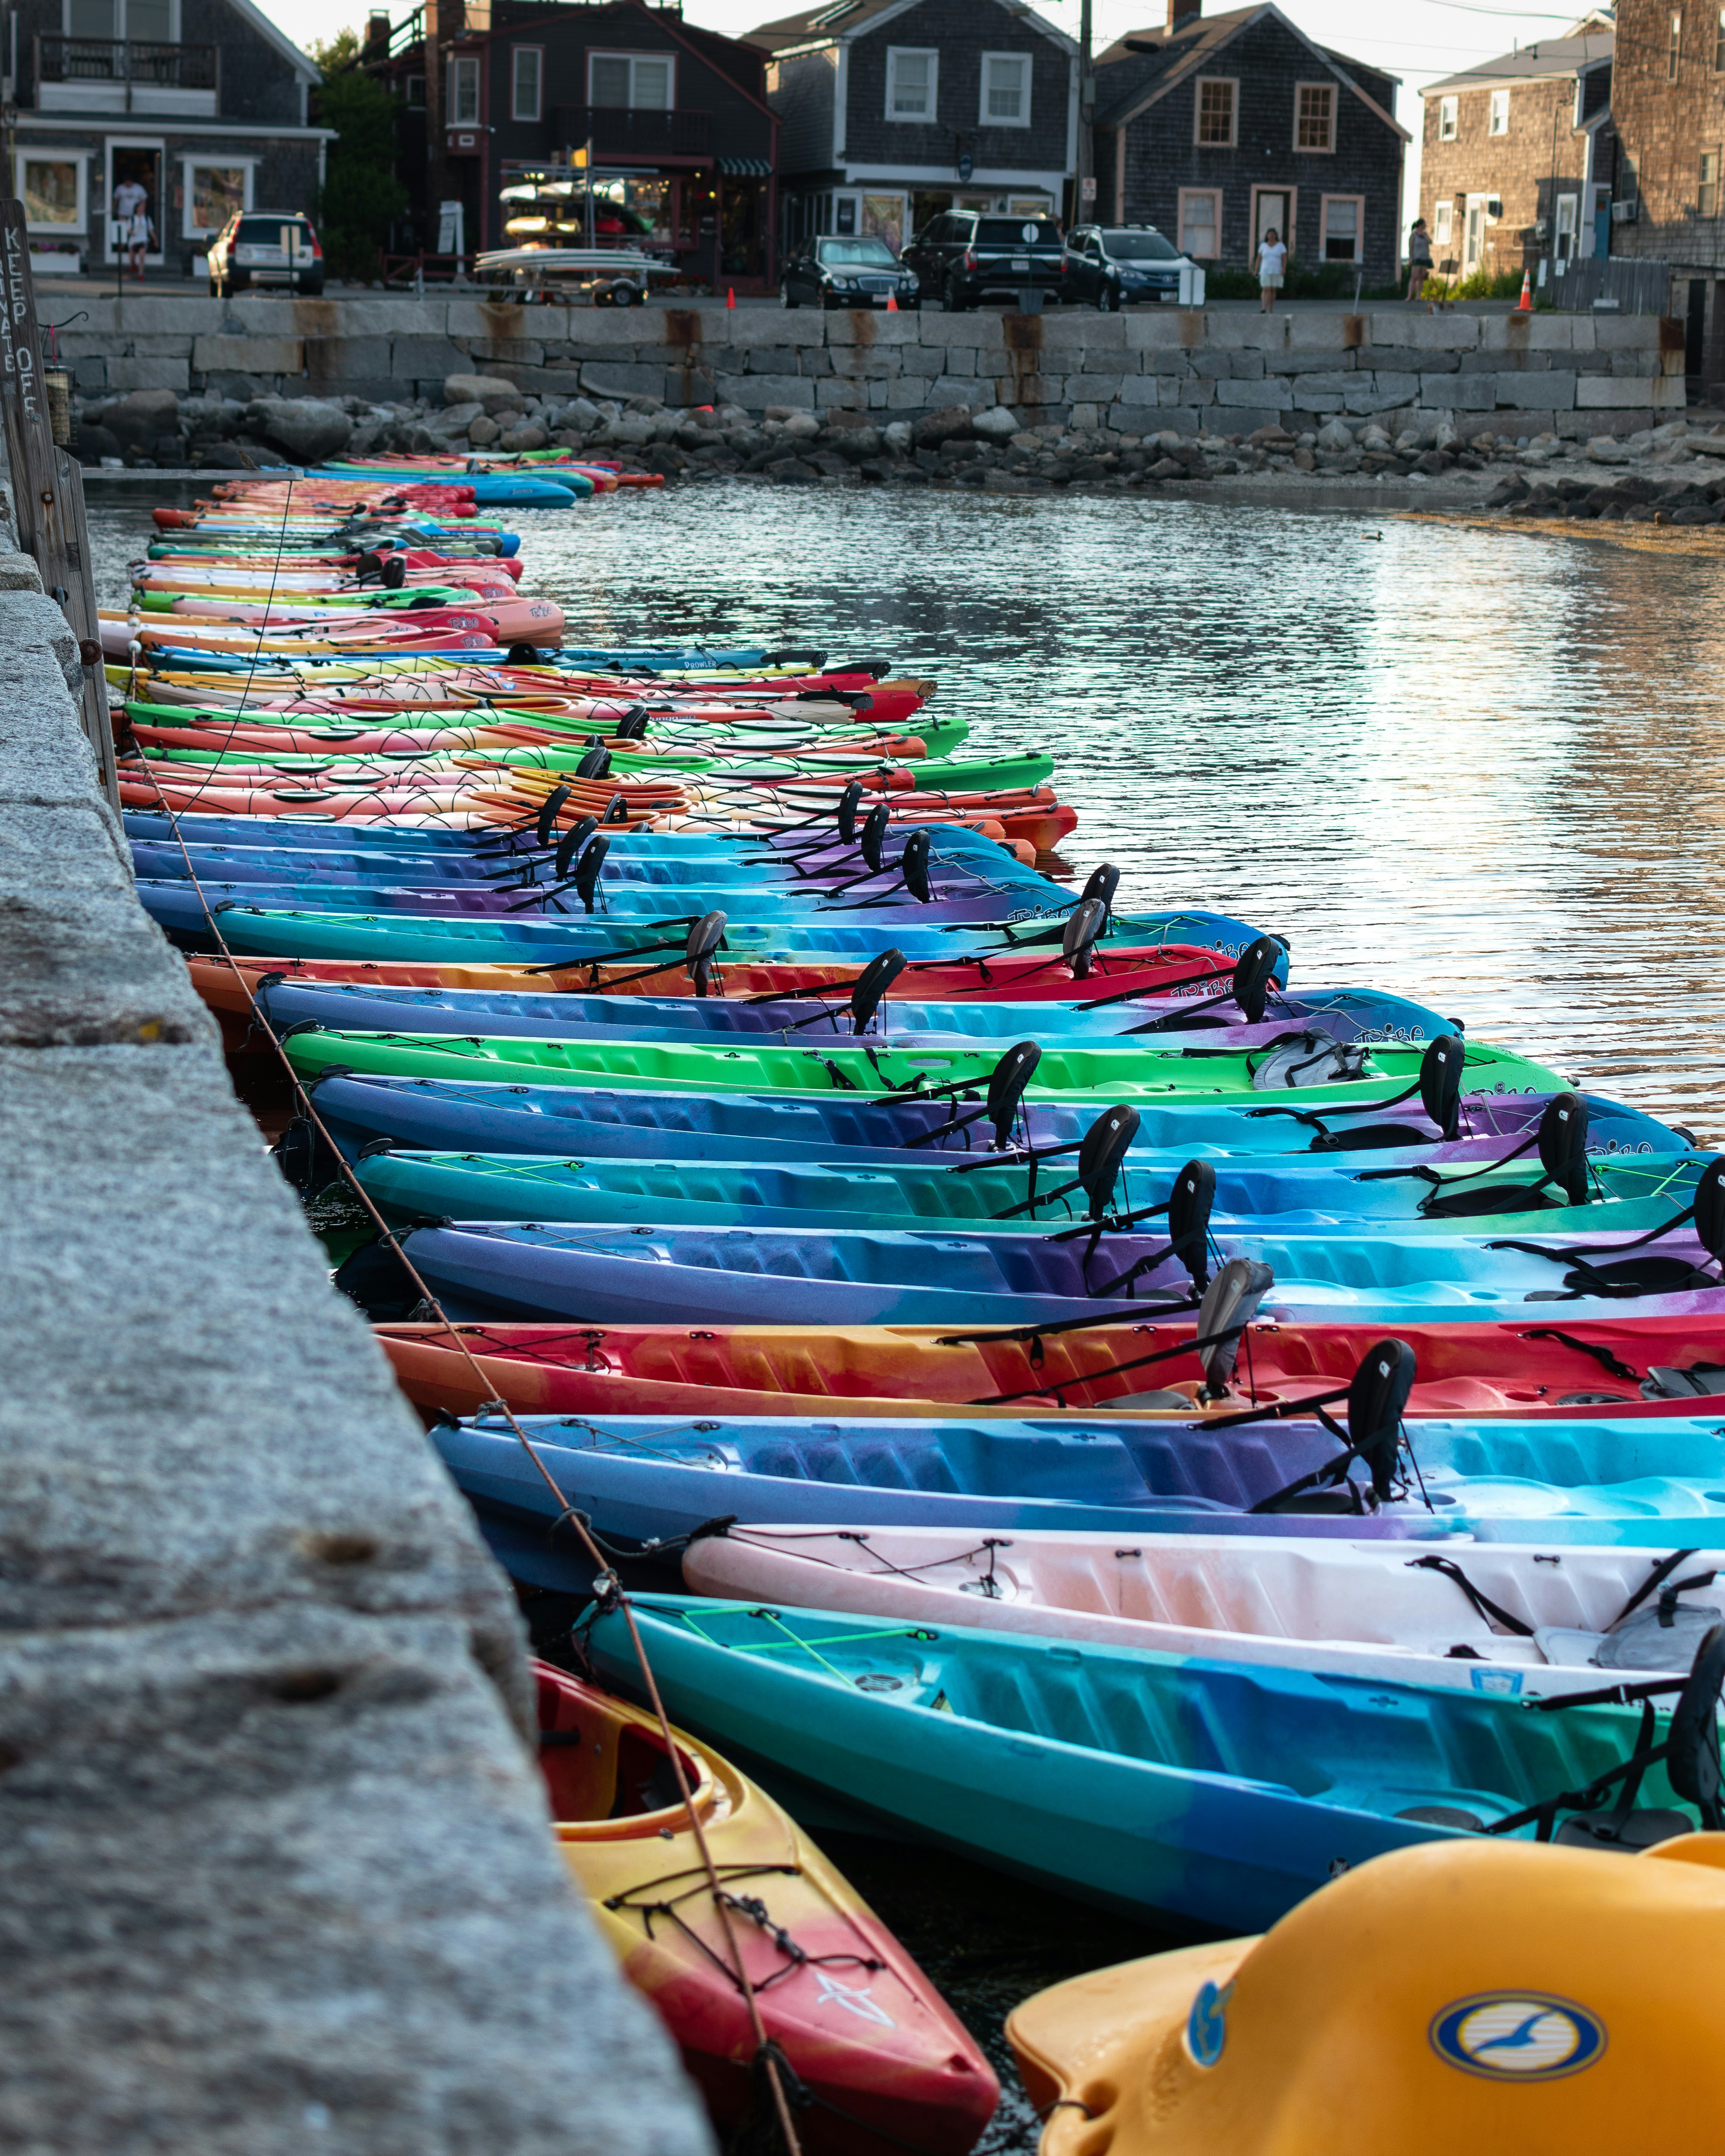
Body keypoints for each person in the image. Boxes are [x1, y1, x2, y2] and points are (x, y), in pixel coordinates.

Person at [113, 176, 151, 281]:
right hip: (123, 214)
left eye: (130, 182)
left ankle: (137, 267)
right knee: (123, 233)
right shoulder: (120, 188)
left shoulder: (139, 189)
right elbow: (115, 199)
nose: (128, 183)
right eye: (127, 182)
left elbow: (144, 200)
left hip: (134, 215)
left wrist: (142, 211)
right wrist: (114, 210)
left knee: (135, 233)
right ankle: (122, 250)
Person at [1255, 226, 1286, 314]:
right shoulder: (1263, 246)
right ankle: (1263, 307)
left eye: (1273, 234)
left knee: (1273, 290)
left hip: (1277, 271)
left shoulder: (1281, 246)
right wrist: (1256, 270)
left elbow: (1285, 258)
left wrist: (1284, 268)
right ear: (1267, 236)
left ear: (1276, 236)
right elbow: (1259, 258)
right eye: (1270, 234)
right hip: (1265, 271)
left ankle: (1271, 308)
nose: (1271, 236)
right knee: (1266, 288)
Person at [1407, 216, 1433, 303]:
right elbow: (1411, 247)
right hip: (1417, 258)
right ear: (1421, 225)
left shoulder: (1425, 234)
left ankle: (1418, 296)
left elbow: (1430, 242)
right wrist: (1411, 258)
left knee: (1422, 277)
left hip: (1425, 258)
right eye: (1424, 224)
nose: (1426, 225)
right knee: (1414, 277)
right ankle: (1410, 296)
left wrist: (1424, 235)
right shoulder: (1413, 235)